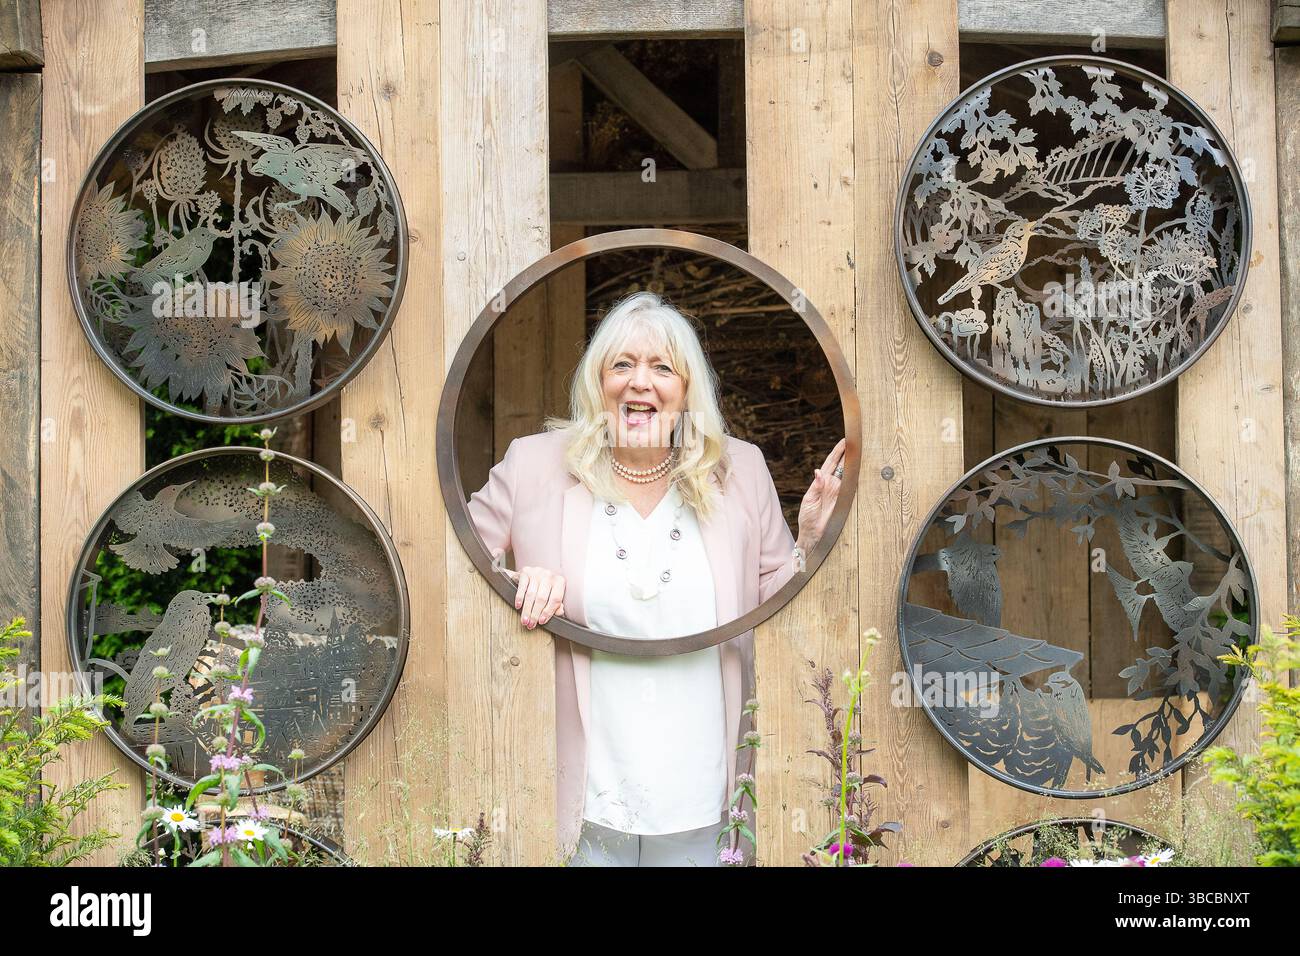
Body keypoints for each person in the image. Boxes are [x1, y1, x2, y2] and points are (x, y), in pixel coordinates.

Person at [467, 291, 845, 866]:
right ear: (597, 383)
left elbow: (769, 602)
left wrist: (811, 544)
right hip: (579, 786)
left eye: (662, 368)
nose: (639, 382)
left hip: (703, 783)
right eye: (622, 365)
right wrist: (518, 577)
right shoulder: (533, 465)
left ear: (688, 391)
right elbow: (459, 569)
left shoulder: (739, 470)